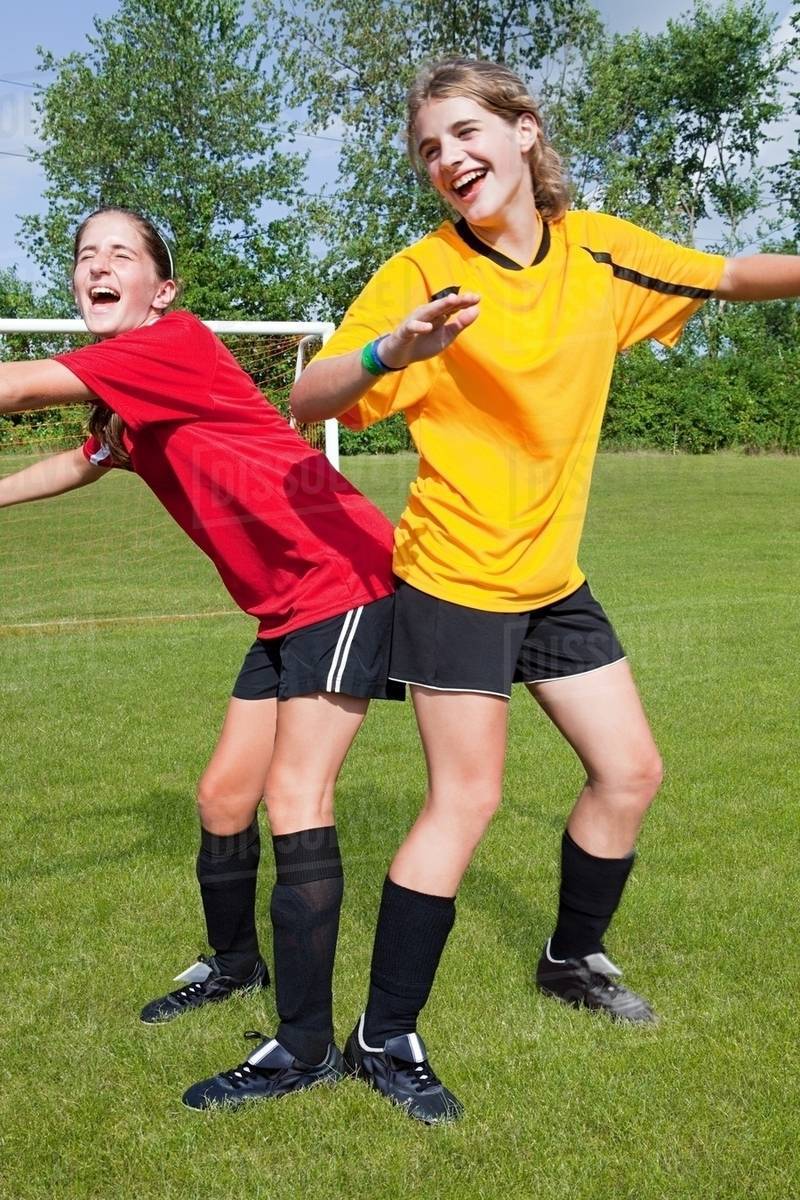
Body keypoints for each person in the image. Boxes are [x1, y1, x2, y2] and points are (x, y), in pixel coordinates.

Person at [290, 56, 800, 1123]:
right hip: (455, 577)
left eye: (466, 132)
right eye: (429, 149)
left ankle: (570, 959)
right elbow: (309, 397)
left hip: (550, 578)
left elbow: (728, 275)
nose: (448, 158)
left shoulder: (600, 252)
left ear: (524, 130)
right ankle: (383, 1036)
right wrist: (391, 347)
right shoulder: (421, 272)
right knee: (465, 800)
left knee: (630, 771)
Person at [0, 205, 405, 1112]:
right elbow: (82, 461)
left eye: (121, 254)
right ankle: (233, 965)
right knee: (224, 797)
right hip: (283, 609)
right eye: (86, 255)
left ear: (163, 289)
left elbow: (17, 389)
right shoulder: (124, 391)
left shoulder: (172, 344)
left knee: (294, 799)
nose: (98, 266)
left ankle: (305, 1047)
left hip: (343, 579)